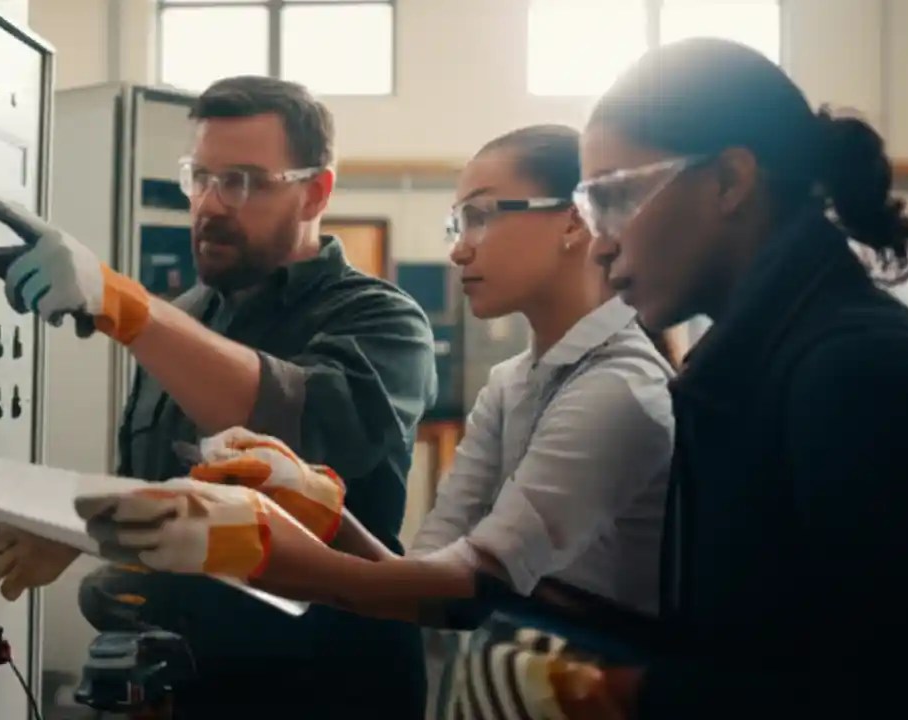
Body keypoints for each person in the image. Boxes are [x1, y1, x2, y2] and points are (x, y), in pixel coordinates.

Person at [445, 38, 908, 719]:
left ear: (729, 181)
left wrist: (639, 695)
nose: (600, 241)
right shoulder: (756, 360)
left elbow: (907, 685)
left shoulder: (852, 372)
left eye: (616, 197)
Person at [74, 126, 676, 654]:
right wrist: (316, 505)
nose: (459, 247)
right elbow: (420, 575)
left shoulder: (616, 388)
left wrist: (261, 548)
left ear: (574, 219)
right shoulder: (511, 383)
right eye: (457, 222)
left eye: (483, 216)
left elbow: (461, 593)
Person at [0, 75, 438, 718]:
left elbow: (292, 431)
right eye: (200, 178)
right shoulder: (182, 318)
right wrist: (79, 531)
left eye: (242, 181)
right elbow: (159, 490)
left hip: (325, 694)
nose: (211, 205)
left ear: (315, 191)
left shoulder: (384, 321)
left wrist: (126, 308)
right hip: (184, 691)